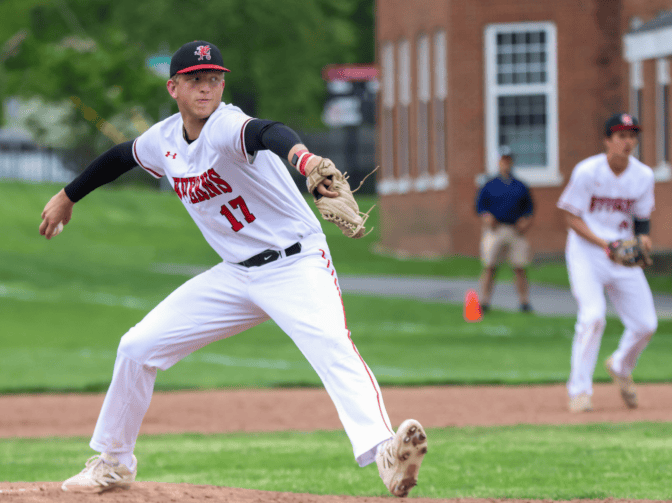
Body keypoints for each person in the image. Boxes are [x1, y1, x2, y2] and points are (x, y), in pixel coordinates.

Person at [39, 40, 428, 497]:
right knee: (137, 346)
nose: (206, 87)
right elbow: (122, 155)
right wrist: (68, 197)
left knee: (330, 344)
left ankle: (386, 453)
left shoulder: (226, 126)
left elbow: (267, 131)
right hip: (236, 275)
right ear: (173, 87)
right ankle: (114, 462)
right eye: (195, 79)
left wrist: (303, 159)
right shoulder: (164, 140)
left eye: (214, 79)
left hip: (296, 264)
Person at [556, 113, 657, 413]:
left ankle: (621, 365)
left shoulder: (643, 176)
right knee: (593, 316)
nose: (628, 142)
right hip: (587, 253)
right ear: (607, 140)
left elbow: (641, 219)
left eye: (632, 135)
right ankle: (580, 391)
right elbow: (570, 217)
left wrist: (644, 240)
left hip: (622, 255)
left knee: (645, 324)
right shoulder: (587, 171)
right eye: (621, 135)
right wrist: (605, 244)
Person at [475, 146, 535, 313]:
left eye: (508, 160)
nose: (505, 163)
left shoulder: (520, 186)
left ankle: (524, 302)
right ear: (498, 162)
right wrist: (487, 218)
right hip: (495, 230)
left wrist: (526, 221)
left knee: (519, 266)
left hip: (515, 230)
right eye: (503, 160)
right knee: (490, 266)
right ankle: (485, 301)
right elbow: (480, 207)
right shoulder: (489, 184)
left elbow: (529, 209)